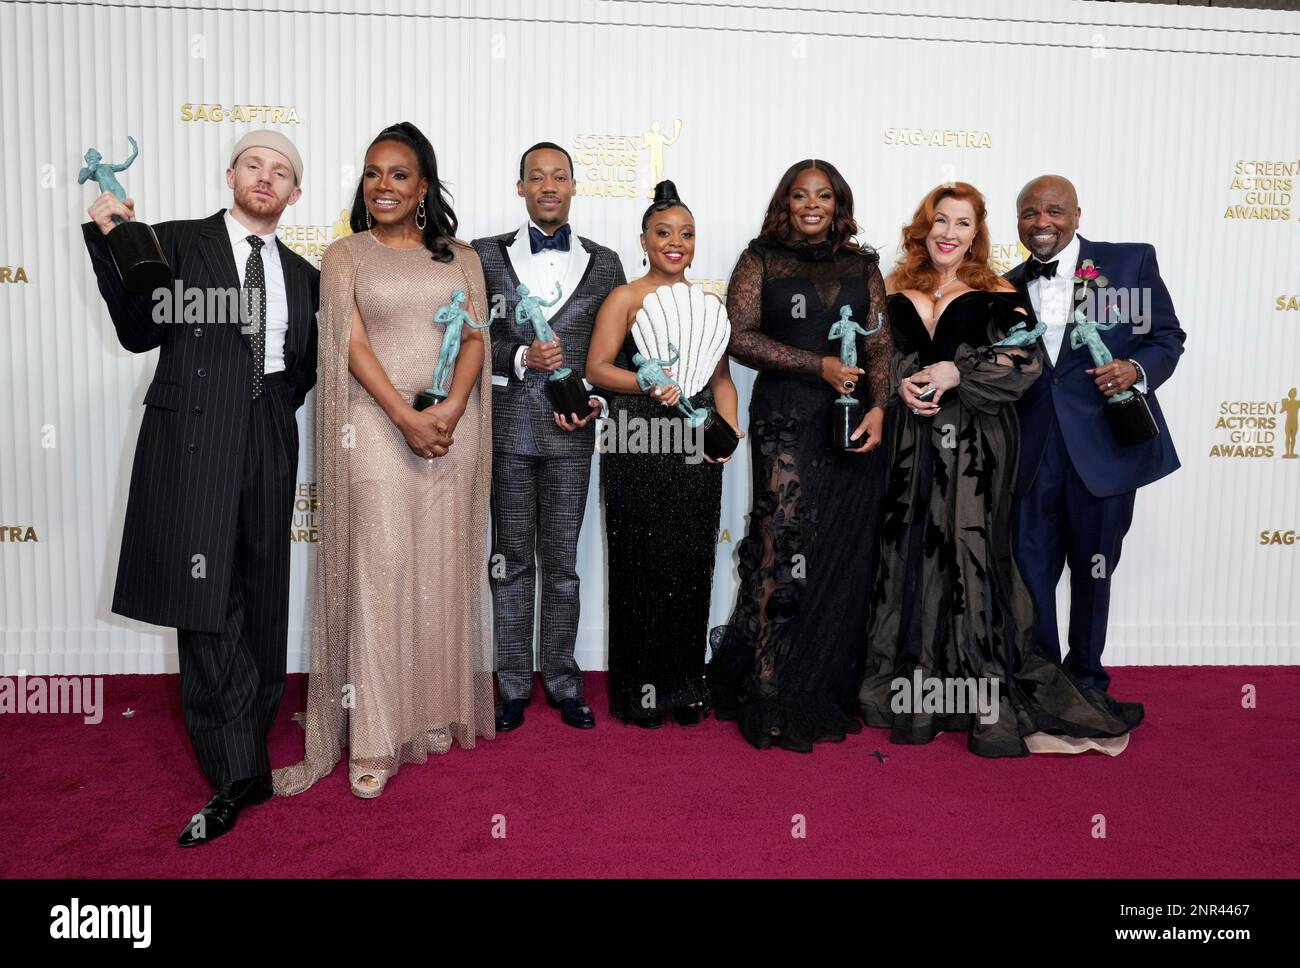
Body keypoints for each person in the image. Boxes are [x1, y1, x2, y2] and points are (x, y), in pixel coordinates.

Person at [82, 131, 319, 844]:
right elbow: (137, 331)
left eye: (281, 172)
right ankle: (235, 771)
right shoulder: (175, 242)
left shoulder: (305, 274)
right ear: (231, 174)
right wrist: (111, 239)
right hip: (194, 435)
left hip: (271, 429)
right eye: (255, 164)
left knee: (264, 592)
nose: (266, 178)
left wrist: (270, 414)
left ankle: (249, 735)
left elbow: (301, 368)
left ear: (295, 194)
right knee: (207, 601)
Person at [858, 181, 1145, 757]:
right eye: (941, 220)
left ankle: (978, 690)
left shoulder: (997, 287)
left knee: (965, 553)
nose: (949, 233)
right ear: (925, 225)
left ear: (977, 233)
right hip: (910, 443)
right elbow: (872, 356)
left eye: (963, 224)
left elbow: (1026, 360)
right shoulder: (889, 285)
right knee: (910, 552)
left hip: (973, 445)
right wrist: (899, 388)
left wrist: (956, 373)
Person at [273, 122, 494, 799]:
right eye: (373, 173)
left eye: (398, 174)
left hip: (451, 427)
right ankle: (371, 735)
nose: (383, 186)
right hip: (372, 424)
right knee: (380, 568)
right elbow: (349, 344)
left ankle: (426, 716)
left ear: (424, 185)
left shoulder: (461, 256)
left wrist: (451, 411)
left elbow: (477, 337)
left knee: (438, 565)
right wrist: (405, 416)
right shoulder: (345, 255)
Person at [707, 159, 893, 752]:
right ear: (784, 202)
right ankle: (765, 685)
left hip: (851, 419)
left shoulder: (865, 264)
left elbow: (882, 342)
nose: (811, 204)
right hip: (787, 415)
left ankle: (820, 680)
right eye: (799, 195)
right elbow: (737, 336)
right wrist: (820, 365)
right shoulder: (760, 257)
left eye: (823, 195)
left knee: (839, 550)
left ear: (839, 202)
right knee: (778, 545)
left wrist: (879, 407)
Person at [1006, 175, 1185, 692]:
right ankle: (1042, 679)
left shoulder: (1129, 263)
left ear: (1078, 215)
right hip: (1032, 453)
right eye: (1030, 213)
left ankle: (1086, 680)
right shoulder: (1004, 284)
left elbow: (1166, 335)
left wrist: (1135, 368)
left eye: (1054, 211)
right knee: (1031, 572)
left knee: (1094, 568)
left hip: (1104, 450)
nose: (1042, 222)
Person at [471, 142, 627, 732]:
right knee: (511, 563)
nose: (548, 186)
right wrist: (518, 357)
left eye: (559, 176)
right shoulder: (483, 257)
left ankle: (563, 680)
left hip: (572, 436)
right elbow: (468, 341)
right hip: (508, 433)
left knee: (562, 564)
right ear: (520, 188)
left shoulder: (608, 263)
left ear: (573, 185)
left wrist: (596, 398)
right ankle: (511, 685)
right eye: (536, 177)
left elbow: (617, 352)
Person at [586, 180, 741, 728]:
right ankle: (641, 692)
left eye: (687, 233)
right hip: (639, 439)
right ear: (645, 240)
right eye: (664, 233)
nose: (676, 242)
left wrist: (730, 429)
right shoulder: (626, 297)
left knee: (690, 561)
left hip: (696, 443)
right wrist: (646, 386)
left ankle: (683, 686)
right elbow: (598, 369)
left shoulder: (708, 302)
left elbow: (721, 378)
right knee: (639, 562)